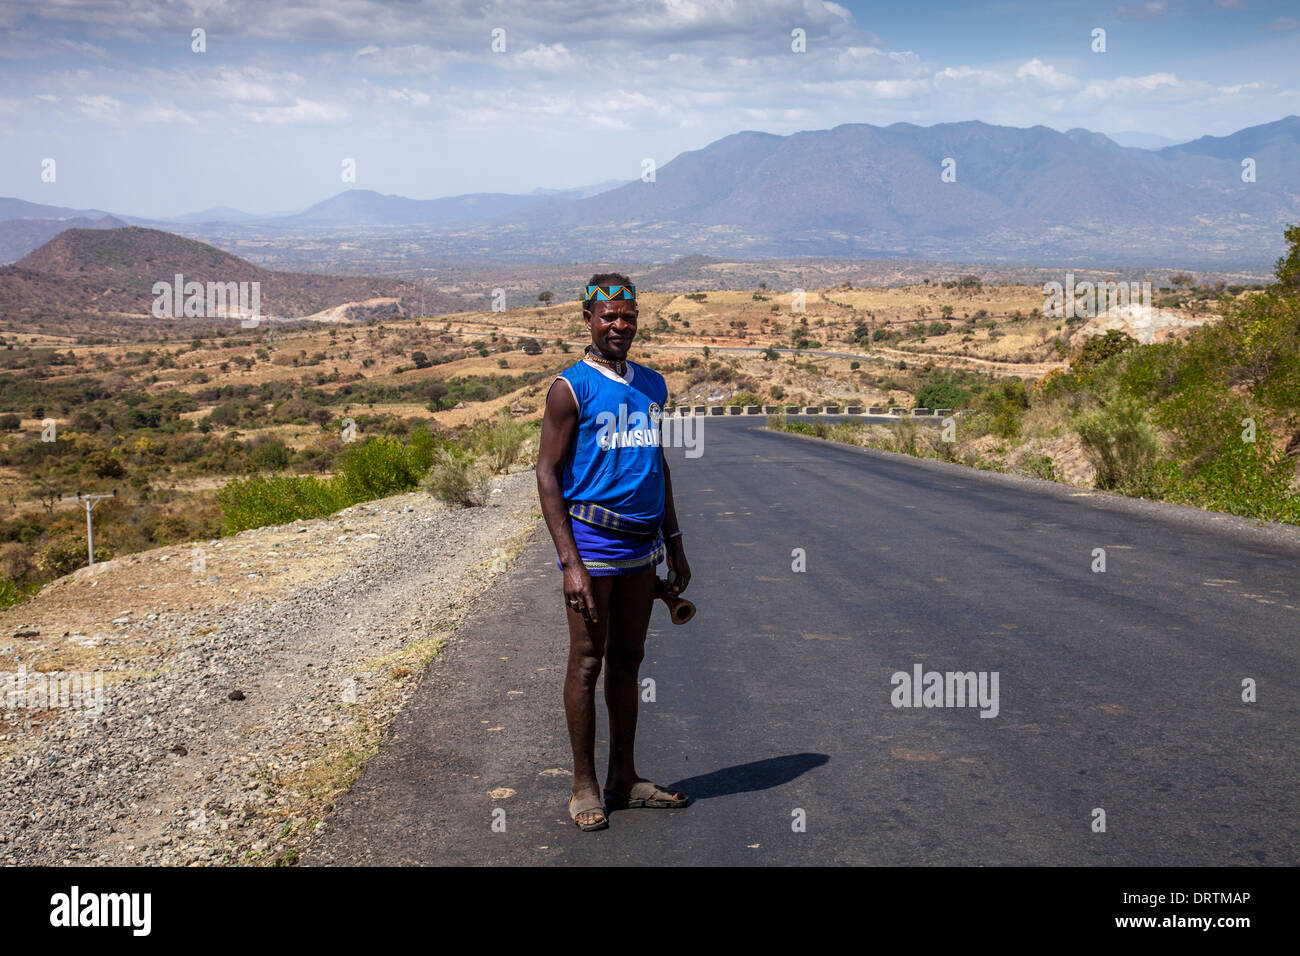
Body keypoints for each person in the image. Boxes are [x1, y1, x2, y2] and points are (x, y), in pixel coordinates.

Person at [536, 273, 692, 831]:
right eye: (608, 317)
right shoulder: (570, 388)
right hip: (594, 546)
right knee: (587, 661)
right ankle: (584, 786)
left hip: (642, 548)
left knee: (628, 663)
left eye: (628, 316)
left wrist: (674, 544)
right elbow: (547, 474)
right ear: (588, 319)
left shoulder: (652, 385)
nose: (619, 326)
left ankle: (624, 779)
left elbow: (659, 467)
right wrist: (569, 563)